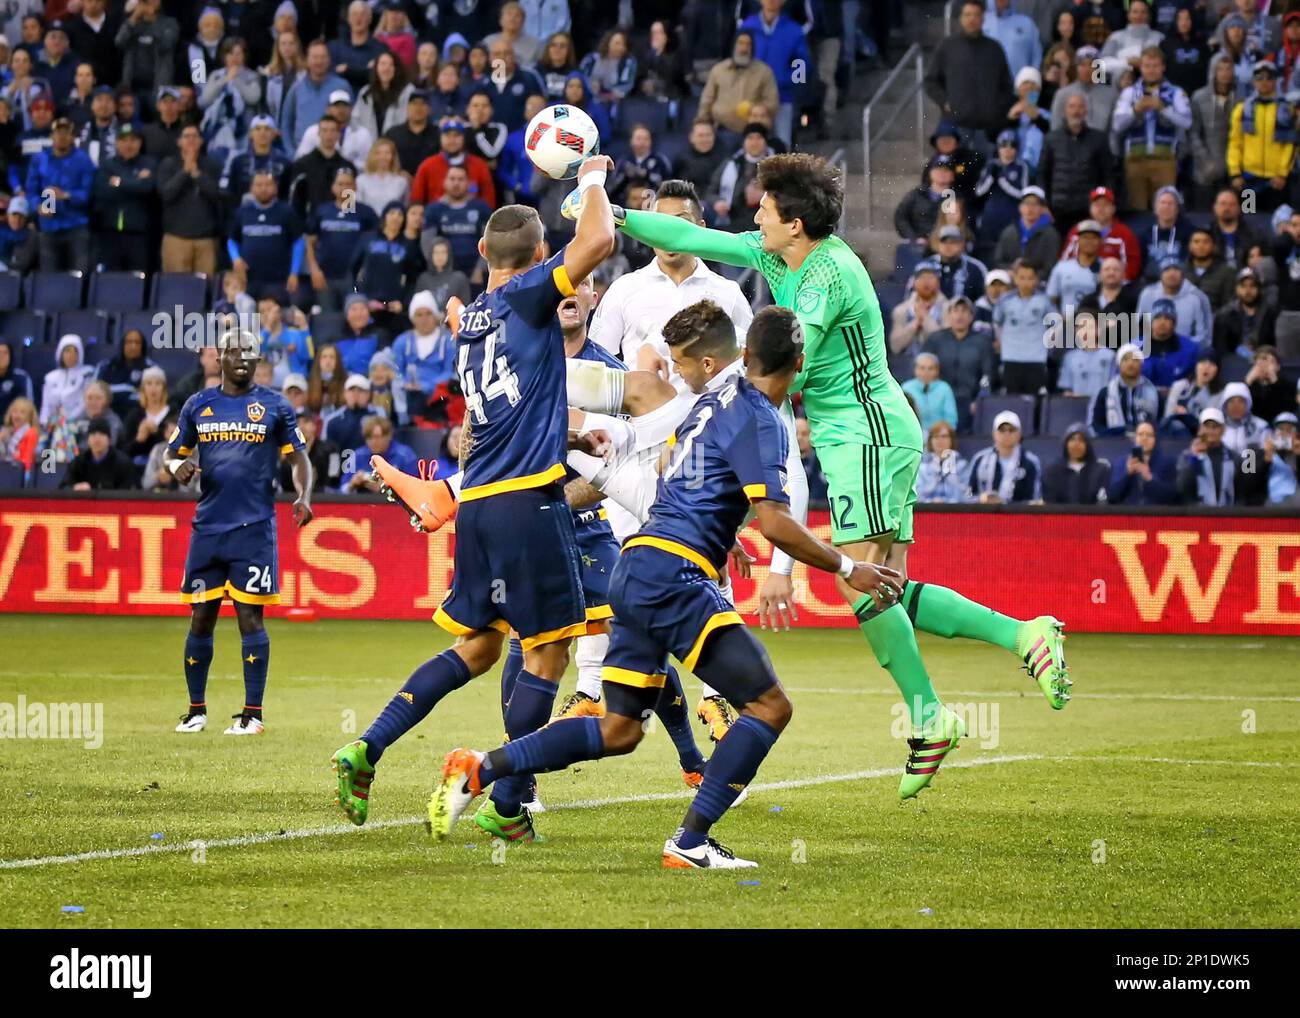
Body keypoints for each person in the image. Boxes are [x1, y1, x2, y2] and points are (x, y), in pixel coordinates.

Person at [604, 151, 1073, 798]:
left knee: (859, 584)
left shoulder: (828, 274)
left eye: (765, 206)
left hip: (865, 431)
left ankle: (952, 697)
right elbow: (689, 235)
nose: (756, 213)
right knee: (883, 588)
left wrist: (709, 379)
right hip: (858, 433)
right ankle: (991, 664)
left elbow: (789, 354)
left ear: (794, 221)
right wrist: (618, 214)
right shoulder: (776, 255)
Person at [426, 303, 901, 867]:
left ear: (745, 356)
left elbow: (688, 485)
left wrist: (719, 538)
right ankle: (691, 841)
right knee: (770, 706)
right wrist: (851, 569)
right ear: (800, 364)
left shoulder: (709, 406)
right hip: (674, 575)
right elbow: (774, 521)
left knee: (620, 729)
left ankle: (481, 767)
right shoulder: (763, 418)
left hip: (636, 565)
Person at [330, 157, 620, 841]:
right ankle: (509, 804)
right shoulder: (527, 296)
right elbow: (601, 240)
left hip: (480, 505)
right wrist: (594, 177)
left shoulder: (471, 323)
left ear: (482, 251)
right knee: (548, 656)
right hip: (528, 502)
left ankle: (366, 746)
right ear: (541, 257)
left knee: (479, 650)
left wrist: (573, 429)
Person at [167, 329, 312, 736]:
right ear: (221, 358)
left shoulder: (275, 405)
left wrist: (303, 495)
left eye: (251, 351)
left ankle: (253, 715)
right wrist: (173, 467)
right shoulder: (199, 405)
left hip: (253, 530)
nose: (243, 357)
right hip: (207, 530)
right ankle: (196, 710)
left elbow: (299, 457)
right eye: (235, 351)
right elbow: (171, 453)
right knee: (201, 617)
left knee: (250, 617)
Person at [589, 179, 751, 378]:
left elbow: (751, 363)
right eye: (660, 224)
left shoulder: (728, 292)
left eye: (679, 223)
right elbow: (595, 365)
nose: (668, 234)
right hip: (644, 409)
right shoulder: (624, 289)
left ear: (701, 228)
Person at [924, 0, 1015, 151]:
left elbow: (1006, 85)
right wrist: (945, 101)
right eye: (967, 15)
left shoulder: (994, 49)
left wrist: (997, 110)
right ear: (960, 18)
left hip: (987, 129)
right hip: (956, 127)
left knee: (985, 172)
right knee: (958, 173)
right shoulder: (947, 47)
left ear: (983, 18)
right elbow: (931, 81)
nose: (971, 19)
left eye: (976, 15)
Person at [1112, 46, 1193, 211]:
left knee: (1164, 210)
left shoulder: (1176, 92)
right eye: (1147, 66)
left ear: (1163, 67)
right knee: (1136, 210)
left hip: (1165, 161)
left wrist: (1164, 109)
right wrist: (1135, 110)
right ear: (1140, 67)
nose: (1151, 70)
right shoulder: (1129, 93)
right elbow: (1117, 125)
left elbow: (1187, 122)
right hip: (1135, 161)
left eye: (1155, 66)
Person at [25, 114, 94, 272]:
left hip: (76, 225)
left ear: (73, 137)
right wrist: (38, 206)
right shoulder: (40, 159)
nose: (62, 137)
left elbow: (88, 193)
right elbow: (31, 190)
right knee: (49, 276)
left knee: (79, 275)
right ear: (51, 136)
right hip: (49, 226)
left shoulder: (83, 160)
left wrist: (66, 195)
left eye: (66, 133)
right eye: (58, 133)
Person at [1038, 93, 1113, 234]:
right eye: (1072, 106)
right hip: (1057, 211)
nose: (1076, 111)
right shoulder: (1051, 139)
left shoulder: (1099, 139)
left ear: (1086, 111)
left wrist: (1102, 206)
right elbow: (1043, 174)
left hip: (1087, 211)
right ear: (1065, 111)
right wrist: (1043, 205)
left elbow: (1107, 175)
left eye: (1080, 106)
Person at [923, 295, 996, 433]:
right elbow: (922, 368)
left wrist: (980, 399)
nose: (959, 315)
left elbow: (988, 375)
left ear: (971, 316)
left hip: (968, 401)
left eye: (964, 311)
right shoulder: (936, 339)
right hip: (939, 400)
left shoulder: (982, 342)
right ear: (949, 315)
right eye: (955, 311)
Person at [158, 123, 223, 275]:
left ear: (201, 141)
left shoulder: (212, 165)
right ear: (179, 141)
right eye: (187, 136)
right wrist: (185, 172)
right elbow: (166, 194)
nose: (191, 140)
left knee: (205, 289)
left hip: (206, 241)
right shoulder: (168, 164)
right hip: (176, 239)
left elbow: (217, 195)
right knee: (176, 290)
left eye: (195, 136)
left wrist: (197, 174)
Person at [697, 29, 780, 137]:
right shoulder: (718, 70)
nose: (744, 48)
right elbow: (707, 99)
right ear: (734, 45)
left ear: (753, 47)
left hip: (753, 134)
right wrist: (702, 122)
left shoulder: (764, 72)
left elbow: (772, 103)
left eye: (748, 44)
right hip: (721, 131)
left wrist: (756, 108)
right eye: (740, 43)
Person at [994, 258, 1054, 394]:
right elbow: (997, 323)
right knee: (1012, 400)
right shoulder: (1005, 300)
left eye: (1030, 278)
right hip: (1011, 357)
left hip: (1036, 358)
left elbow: (1054, 325)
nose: (1026, 282)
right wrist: (1001, 342)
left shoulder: (1044, 301)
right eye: (1022, 278)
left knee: (1036, 401)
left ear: (1037, 280)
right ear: (1015, 279)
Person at [1176, 406, 1255, 505]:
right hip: (1197, 516)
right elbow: (1182, 487)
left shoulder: (1234, 457)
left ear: (1223, 430)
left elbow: (1242, 492)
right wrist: (1194, 458)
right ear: (1200, 429)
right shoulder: (1187, 456)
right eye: (1207, 426)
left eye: (1215, 427)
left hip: (1228, 516)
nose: (1211, 430)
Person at [966, 409, 1042, 503]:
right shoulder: (980, 459)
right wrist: (981, 499)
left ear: (1019, 434)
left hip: (1019, 516)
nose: (1007, 434)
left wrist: (1005, 504)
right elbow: (967, 495)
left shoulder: (1030, 462)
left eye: (1012, 430)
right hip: (984, 514)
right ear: (994, 433)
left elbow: (1035, 500)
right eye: (1002, 430)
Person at [1190, 55, 1237, 206]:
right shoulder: (1198, 97)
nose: (1225, 73)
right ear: (1213, 71)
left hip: (1238, 174)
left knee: (1249, 211)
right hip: (1206, 171)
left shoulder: (1242, 98)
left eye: (1228, 68)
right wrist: (1206, 161)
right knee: (1204, 217)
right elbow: (1193, 133)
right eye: (1220, 69)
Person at [1137, 255, 1213, 345]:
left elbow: (1204, 337)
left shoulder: (1199, 297)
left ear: (1183, 274)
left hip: (1188, 351)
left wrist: (1184, 349)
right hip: (1153, 350)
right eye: (1167, 270)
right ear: (1160, 274)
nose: (1172, 274)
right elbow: (1138, 328)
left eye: (1176, 269)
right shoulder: (1148, 294)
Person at [1089, 342, 1160, 436]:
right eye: (1125, 359)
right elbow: (1097, 425)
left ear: (1141, 364)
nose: (1130, 363)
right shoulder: (1105, 393)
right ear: (1119, 364)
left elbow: (1161, 424)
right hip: (1114, 443)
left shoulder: (1153, 392)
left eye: (1135, 360)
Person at [993, 186, 1061, 275]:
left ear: (1042, 208)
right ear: (1020, 207)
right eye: (1027, 203)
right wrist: (1010, 270)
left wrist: (1029, 277)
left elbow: (1050, 267)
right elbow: (998, 261)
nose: (1030, 208)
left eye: (1035, 204)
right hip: (1012, 280)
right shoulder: (1009, 232)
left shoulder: (1051, 234)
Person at [1107, 419, 1178, 504]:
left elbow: (1172, 497)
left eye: (1149, 435)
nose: (1144, 438)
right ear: (1135, 439)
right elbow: (1112, 496)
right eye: (1140, 434)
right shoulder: (1122, 462)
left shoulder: (1168, 463)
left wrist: (1149, 478)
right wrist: (1127, 474)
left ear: (1155, 440)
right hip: (1128, 514)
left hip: (1156, 514)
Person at [1213, 265, 1276, 357]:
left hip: (1263, 361)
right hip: (1232, 364)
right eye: (1243, 286)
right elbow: (1220, 349)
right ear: (1237, 289)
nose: (1248, 291)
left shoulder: (1270, 314)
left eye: (1252, 286)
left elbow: (1273, 345)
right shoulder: (1224, 315)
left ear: (1259, 289)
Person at [1057, 302, 1116, 400]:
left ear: (1098, 330)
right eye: (1080, 327)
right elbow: (1067, 390)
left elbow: (1114, 389)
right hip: (1076, 407)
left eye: (1089, 327)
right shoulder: (1069, 357)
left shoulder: (1110, 356)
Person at [95, 327, 157, 419]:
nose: (133, 346)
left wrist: (113, 394)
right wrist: (129, 389)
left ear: (142, 347)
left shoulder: (151, 369)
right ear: (122, 345)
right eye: (129, 342)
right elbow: (98, 393)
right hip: (108, 415)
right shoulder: (106, 366)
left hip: (139, 416)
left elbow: (150, 398)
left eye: (137, 343)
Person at [60, 415, 135, 490]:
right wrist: (74, 488)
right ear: (88, 440)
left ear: (109, 440)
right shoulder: (79, 461)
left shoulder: (122, 463)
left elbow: (129, 491)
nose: (97, 439)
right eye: (93, 434)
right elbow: (63, 487)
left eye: (102, 434)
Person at [890, 264, 948, 358]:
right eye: (921, 278)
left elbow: (945, 345)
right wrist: (916, 323)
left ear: (938, 283)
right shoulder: (901, 310)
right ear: (914, 282)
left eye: (930, 277)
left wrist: (925, 318)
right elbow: (895, 347)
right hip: (907, 365)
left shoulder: (948, 308)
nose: (926, 282)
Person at [1163, 347, 1226, 435]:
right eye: (1203, 362)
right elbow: (1167, 417)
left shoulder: (1220, 394)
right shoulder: (1180, 386)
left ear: (1217, 370)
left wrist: (1187, 417)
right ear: (1196, 366)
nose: (1206, 367)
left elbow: (1211, 425)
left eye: (1212, 364)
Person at [1042, 425, 1110, 504]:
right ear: (1066, 444)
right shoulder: (1052, 471)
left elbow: (1102, 501)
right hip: (1060, 515)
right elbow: (1050, 502)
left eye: (1081, 440)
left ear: (1088, 445)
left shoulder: (1101, 470)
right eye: (1072, 440)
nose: (1076, 444)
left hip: (1091, 515)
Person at [39, 333, 94, 430]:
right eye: (67, 351)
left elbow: (84, 404)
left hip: (76, 425)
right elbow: (46, 405)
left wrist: (67, 420)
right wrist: (44, 423)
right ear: (60, 353)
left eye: (75, 352)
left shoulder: (87, 374)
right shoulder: (50, 377)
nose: (71, 355)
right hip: (52, 424)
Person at [1047, 218, 1102, 312]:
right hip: (1066, 321)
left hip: (1095, 323)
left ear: (1100, 241)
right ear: (1078, 240)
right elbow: (1051, 298)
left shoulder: (1107, 268)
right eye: (1085, 237)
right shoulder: (1062, 267)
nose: (1089, 241)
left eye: (1094, 238)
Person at [1141, 298, 1199, 388]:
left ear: (1174, 323)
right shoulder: (1135, 346)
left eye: (1167, 318)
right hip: (1141, 397)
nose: (1162, 322)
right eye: (1157, 317)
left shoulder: (1190, 348)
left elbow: (1195, 379)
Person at [902, 352, 957, 434]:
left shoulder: (944, 388)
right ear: (915, 369)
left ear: (937, 371)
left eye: (930, 368)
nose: (926, 372)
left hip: (938, 435)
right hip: (913, 434)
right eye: (922, 368)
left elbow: (951, 419)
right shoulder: (906, 388)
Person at [915, 420, 969, 503]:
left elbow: (967, 496)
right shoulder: (922, 468)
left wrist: (951, 477)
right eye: (936, 436)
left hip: (956, 511)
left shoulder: (962, 466)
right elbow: (917, 495)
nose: (940, 440)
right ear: (930, 441)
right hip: (927, 511)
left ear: (951, 440)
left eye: (944, 436)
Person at [1185, 227, 1237, 311]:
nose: (1201, 246)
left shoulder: (1227, 273)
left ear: (1213, 246)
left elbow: (1229, 305)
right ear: (1189, 246)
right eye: (1196, 242)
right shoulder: (1180, 272)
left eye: (1205, 242)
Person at [1245, 345, 1299, 423]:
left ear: (1278, 367)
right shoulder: (1247, 386)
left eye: (1271, 361)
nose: (1265, 365)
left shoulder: (1289, 386)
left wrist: (1275, 382)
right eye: (1262, 361)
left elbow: (1288, 412)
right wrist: (1248, 381)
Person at [1220, 380, 1272, 455]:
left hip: (1253, 466)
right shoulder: (1216, 427)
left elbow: (1268, 456)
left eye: (1241, 401)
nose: (1236, 406)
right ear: (1225, 405)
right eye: (1231, 401)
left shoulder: (1261, 427)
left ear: (1247, 404)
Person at [0, 394, 38, 481]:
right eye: (15, 411)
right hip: (5, 471)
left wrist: (15, 456)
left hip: (20, 474)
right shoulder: (5, 431)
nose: (17, 415)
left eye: (22, 412)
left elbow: (28, 459)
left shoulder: (31, 433)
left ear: (29, 416)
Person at [0, 340, 34, 421]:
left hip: (13, 426)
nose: (2, 356)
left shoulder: (21, 377)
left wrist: (9, 427)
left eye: (6, 353)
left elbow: (26, 407)